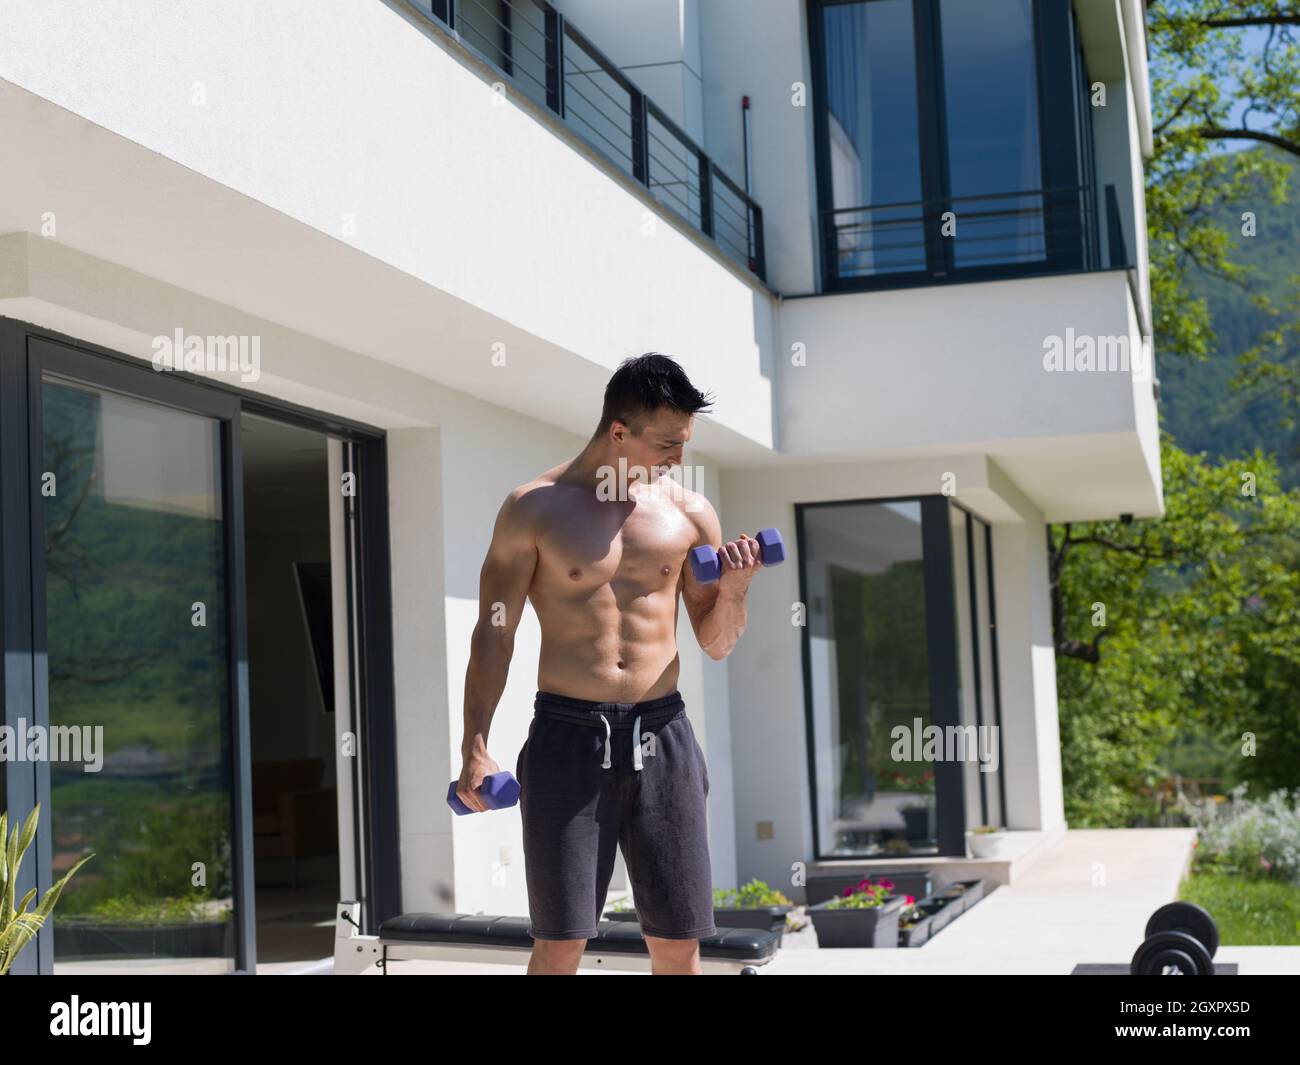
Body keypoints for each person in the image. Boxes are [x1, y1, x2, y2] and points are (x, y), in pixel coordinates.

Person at [455, 351, 764, 975]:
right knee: (562, 940)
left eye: (685, 444)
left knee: (678, 942)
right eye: (667, 444)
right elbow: (495, 633)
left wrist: (734, 590)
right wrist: (475, 744)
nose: (678, 458)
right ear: (618, 431)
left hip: (664, 736)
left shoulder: (689, 513)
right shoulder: (534, 508)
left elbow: (717, 643)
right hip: (567, 738)